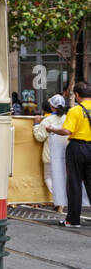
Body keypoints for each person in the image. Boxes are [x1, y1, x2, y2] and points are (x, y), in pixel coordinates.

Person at [47, 82, 91, 227]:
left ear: (77, 95)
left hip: (77, 148)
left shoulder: (75, 111)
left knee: (74, 183)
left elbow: (67, 131)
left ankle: (73, 219)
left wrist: (52, 128)